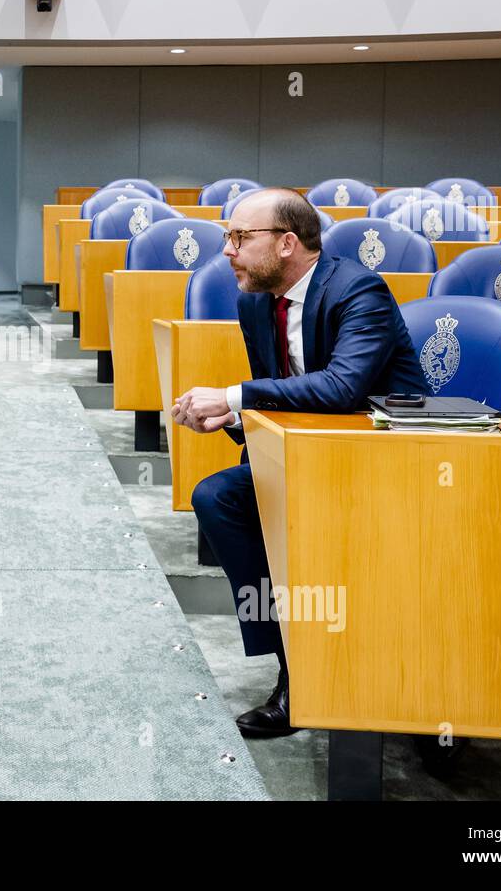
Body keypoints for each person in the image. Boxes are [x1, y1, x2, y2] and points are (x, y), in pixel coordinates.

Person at [173, 188, 430, 740]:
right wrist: (233, 421)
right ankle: (295, 664)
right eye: (227, 238)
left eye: (241, 238)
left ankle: (432, 695)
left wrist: (233, 397)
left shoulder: (359, 289)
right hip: (312, 455)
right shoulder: (254, 301)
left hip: (387, 459)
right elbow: (281, 396)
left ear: (287, 243)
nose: (228, 251)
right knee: (217, 497)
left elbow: (342, 389)